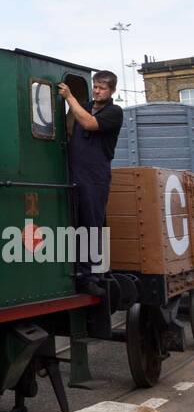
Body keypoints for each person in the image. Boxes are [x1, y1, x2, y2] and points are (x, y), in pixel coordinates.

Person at [58, 71, 124, 272]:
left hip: (96, 175)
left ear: (112, 91)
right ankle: (77, 270)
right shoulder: (84, 107)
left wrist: (70, 97)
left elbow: (89, 123)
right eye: (95, 86)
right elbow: (69, 128)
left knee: (92, 222)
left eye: (102, 88)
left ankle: (92, 274)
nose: (97, 91)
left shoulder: (115, 112)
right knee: (75, 220)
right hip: (75, 171)